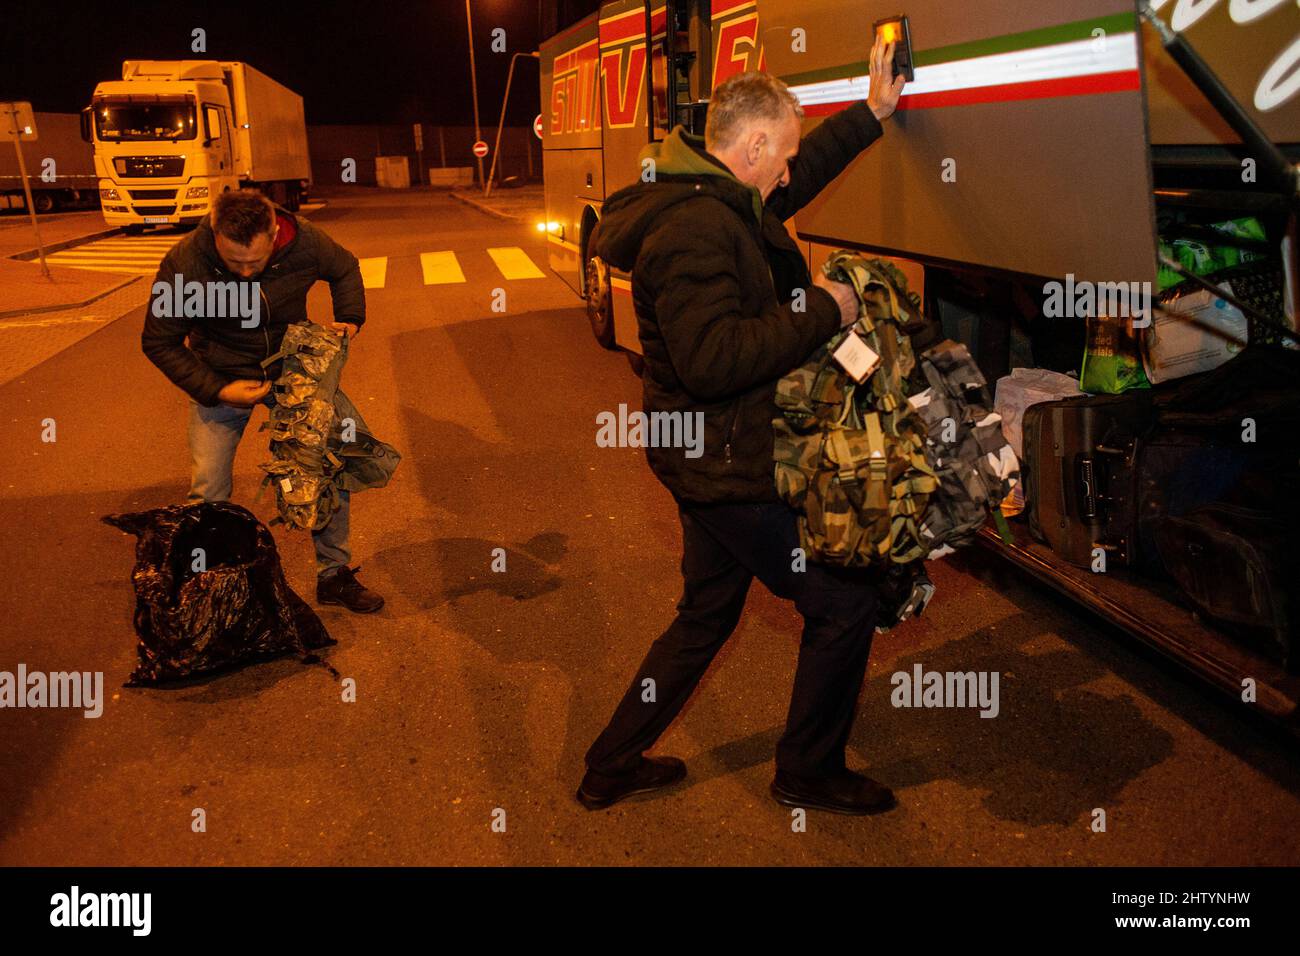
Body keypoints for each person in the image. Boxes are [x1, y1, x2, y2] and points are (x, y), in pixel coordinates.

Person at [578, 40, 906, 814]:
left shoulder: (711, 196)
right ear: (751, 147)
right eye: (783, 156)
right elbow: (714, 360)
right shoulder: (695, 228)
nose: (789, 174)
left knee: (706, 612)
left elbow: (787, 190)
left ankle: (610, 764)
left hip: (702, 451)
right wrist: (829, 306)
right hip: (722, 462)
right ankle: (808, 769)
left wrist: (872, 115)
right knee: (843, 601)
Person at [142, 189, 384, 613]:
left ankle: (334, 575)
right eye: (236, 264)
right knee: (210, 488)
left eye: (257, 260)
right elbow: (158, 341)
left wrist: (350, 316)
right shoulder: (185, 263)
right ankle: (209, 588)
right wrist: (216, 389)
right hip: (221, 374)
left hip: (294, 370)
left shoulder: (305, 240)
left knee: (325, 470)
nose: (249, 272)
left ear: (275, 232)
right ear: (215, 234)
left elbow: (345, 268)